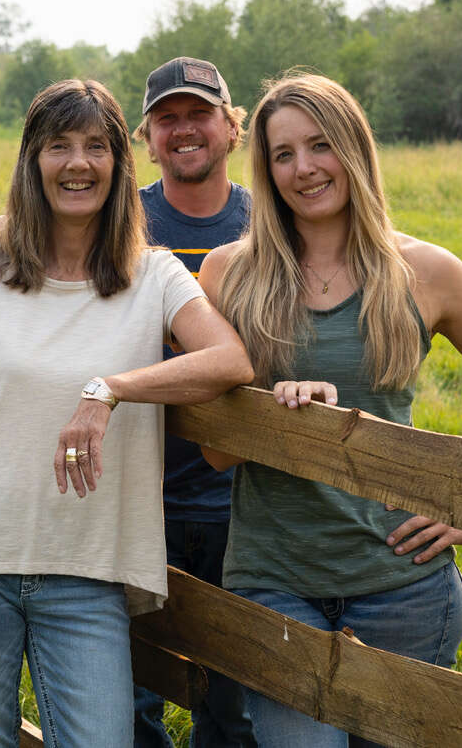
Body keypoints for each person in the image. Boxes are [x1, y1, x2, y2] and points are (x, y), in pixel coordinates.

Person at [0, 79, 254, 747]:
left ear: (118, 162)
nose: (79, 162)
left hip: (89, 567)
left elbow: (230, 360)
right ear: (32, 162)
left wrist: (110, 387)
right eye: (59, 146)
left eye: (97, 146)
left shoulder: (154, 276)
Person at [198, 72, 462, 747]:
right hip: (275, 577)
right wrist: (278, 416)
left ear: (354, 149)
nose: (304, 168)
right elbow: (216, 449)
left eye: (319, 145)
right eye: (283, 154)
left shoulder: (426, 272)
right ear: (266, 166)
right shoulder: (229, 273)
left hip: (403, 583)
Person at [131, 57, 256, 748]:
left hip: (243, 497)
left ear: (231, 127)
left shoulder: (268, 224)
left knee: (233, 698)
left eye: (199, 113)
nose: (184, 130)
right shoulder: (119, 221)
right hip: (136, 490)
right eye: (166, 118)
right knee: (129, 688)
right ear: (147, 137)